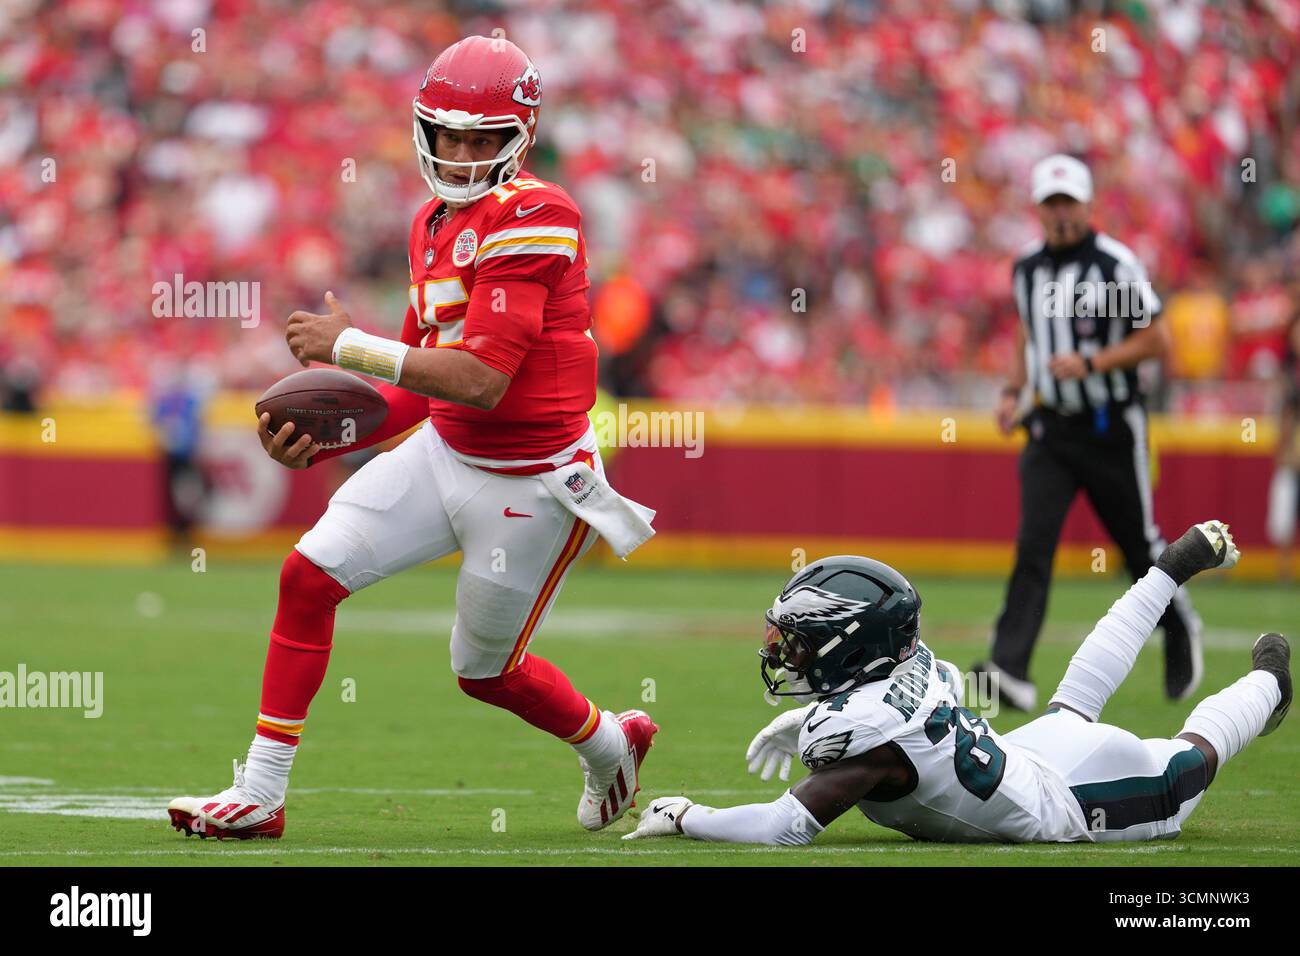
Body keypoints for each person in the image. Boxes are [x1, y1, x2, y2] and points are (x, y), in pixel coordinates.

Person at [168, 36, 658, 840]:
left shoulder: (541, 213)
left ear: (521, 136)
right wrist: (323, 437)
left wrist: (344, 345)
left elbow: (481, 379)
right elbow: (417, 386)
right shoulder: (430, 222)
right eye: (450, 135)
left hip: (532, 479)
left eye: (483, 137)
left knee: (484, 673)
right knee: (307, 576)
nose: (462, 155)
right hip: (447, 453)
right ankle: (260, 791)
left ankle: (612, 741)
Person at [624, 521, 1291, 845]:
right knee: (1074, 703)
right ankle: (1169, 568)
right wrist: (801, 720)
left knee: (1186, 768)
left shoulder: (868, 735)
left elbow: (784, 829)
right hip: (1029, 754)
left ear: (850, 646)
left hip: (1065, 805)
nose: (789, 656)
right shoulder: (907, 663)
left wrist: (688, 816)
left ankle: (1269, 685)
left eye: (801, 644)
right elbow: (896, 712)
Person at [978, 153, 1202, 711]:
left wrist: (1093, 361)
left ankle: (1177, 627)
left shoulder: (1114, 265)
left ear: (1086, 205)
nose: (1060, 215)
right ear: (1037, 209)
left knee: (1139, 549)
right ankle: (1010, 668)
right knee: (1033, 545)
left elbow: (1158, 340)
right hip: (1051, 430)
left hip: (1110, 426)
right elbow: (1027, 339)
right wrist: (1012, 392)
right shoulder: (1026, 267)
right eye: (1050, 204)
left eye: (1068, 203)